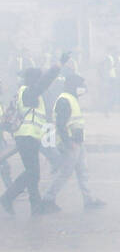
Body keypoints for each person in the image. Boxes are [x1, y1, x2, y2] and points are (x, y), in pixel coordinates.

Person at [1, 53, 70, 217]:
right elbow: (44, 82)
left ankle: (35, 206)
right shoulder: (29, 93)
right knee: (33, 172)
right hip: (27, 137)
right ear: (34, 80)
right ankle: (7, 197)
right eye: (38, 79)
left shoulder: (26, 93)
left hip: (29, 137)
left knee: (32, 172)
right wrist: (57, 66)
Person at [43, 73, 106, 210]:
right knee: (65, 172)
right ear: (72, 86)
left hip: (77, 142)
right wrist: (68, 142)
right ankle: (48, 198)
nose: (82, 89)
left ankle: (89, 199)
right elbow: (60, 124)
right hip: (71, 143)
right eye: (80, 86)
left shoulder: (71, 98)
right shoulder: (65, 100)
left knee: (83, 171)